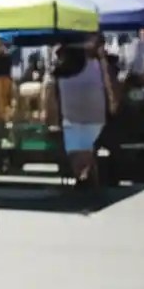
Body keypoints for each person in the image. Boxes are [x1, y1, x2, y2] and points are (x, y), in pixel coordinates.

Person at [49, 36, 118, 189]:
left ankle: (85, 176)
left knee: (82, 148)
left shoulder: (95, 62)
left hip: (87, 111)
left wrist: (112, 99)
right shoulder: (69, 63)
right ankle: (85, 175)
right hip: (78, 111)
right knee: (78, 148)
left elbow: (107, 80)